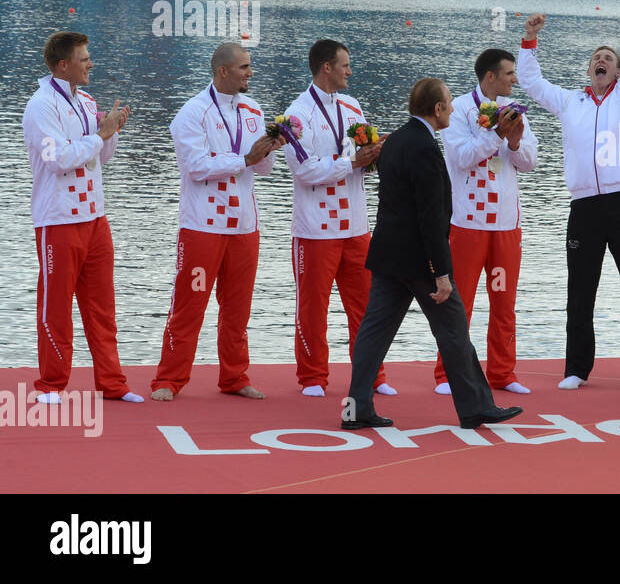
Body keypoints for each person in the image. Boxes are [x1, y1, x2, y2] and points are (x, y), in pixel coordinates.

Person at [515, 0, 620, 394]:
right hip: (583, 207)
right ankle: (577, 369)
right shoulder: (570, 103)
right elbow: (530, 80)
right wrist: (529, 38)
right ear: (588, 71)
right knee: (580, 293)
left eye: (608, 59)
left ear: (619, 72)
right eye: (595, 59)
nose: (601, 62)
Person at [342, 79, 523, 430]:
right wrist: (440, 271)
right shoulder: (424, 147)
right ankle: (475, 408)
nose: (453, 110)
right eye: (449, 104)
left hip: (387, 255)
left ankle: (355, 408)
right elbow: (430, 217)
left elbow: (394, 204)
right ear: (437, 109)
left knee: (372, 333)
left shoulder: (393, 141)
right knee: (454, 330)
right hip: (420, 261)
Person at [151, 44, 283, 401]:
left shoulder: (253, 109)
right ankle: (168, 379)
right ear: (223, 71)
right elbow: (195, 168)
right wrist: (245, 157)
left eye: (250, 66)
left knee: (238, 308)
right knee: (190, 304)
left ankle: (235, 377)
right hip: (203, 226)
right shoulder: (192, 113)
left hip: (243, 224)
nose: (250, 73)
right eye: (243, 67)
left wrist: (269, 150)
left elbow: (262, 169)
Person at [22, 32, 141, 404]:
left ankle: (112, 383)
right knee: (56, 306)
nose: (91, 63)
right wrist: (99, 135)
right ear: (63, 65)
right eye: (84, 58)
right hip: (57, 219)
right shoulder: (40, 106)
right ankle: (52, 384)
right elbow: (57, 160)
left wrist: (112, 132)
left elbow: (99, 158)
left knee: (102, 307)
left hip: (95, 218)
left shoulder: (86, 101)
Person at [284, 39, 393, 398]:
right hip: (315, 228)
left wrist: (379, 153)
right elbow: (303, 171)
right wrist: (352, 163)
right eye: (345, 65)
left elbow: (363, 156)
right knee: (313, 307)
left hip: (356, 224)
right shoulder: (296, 114)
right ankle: (313, 377)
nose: (350, 71)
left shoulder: (352, 105)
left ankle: (373, 376)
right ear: (326, 68)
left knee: (366, 306)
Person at [435, 48, 538, 396]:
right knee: (458, 303)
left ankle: (503, 373)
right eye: (509, 73)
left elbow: (529, 163)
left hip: (506, 225)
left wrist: (514, 140)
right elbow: (462, 157)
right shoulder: (459, 108)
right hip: (468, 222)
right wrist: (495, 134)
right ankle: (447, 374)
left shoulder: (516, 111)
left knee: (503, 301)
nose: (515, 79)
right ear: (490, 76)